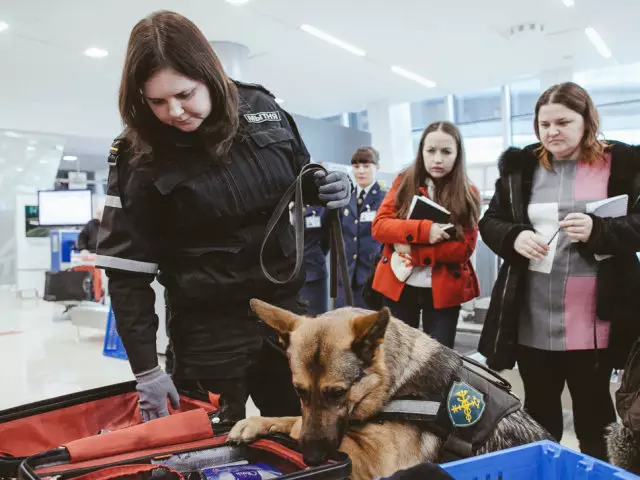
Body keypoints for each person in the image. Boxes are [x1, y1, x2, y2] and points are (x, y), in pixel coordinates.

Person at [95, 11, 351, 423]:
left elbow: (299, 175)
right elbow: (127, 275)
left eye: (184, 94)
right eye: (157, 101)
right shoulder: (136, 156)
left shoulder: (262, 108)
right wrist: (146, 370)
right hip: (206, 332)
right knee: (209, 452)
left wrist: (325, 186)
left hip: (286, 317)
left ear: (210, 75)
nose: (174, 111)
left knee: (307, 439)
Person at [478, 81, 640, 460]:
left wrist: (601, 231)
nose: (551, 132)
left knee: (594, 414)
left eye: (563, 122)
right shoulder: (521, 167)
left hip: (596, 321)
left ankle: (595, 469)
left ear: (587, 121)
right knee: (540, 411)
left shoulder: (624, 163)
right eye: (544, 124)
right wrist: (514, 237)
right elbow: (491, 222)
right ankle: (545, 468)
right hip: (532, 315)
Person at [370, 121, 480, 348]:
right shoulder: (403, 182)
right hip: (399, 284)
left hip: (443, 290)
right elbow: (380, 227)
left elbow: (464, 248)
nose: (437, 159)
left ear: (458, 155)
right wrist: (424, 230)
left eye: (446, 151)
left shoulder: (468, 192)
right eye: (431, 151)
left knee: (439, 358)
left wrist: (414, 250)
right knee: (396, 355)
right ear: (421, 152)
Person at [337, 146, 385, 308]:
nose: (361, 171)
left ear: (377, 167)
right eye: (356, 167)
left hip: (373, 276)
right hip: (346, 276)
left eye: (366, 166)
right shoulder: (345, 198)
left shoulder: (385, 199)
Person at [298, 203, 330, 316]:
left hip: (313, 273)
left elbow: (327, 239)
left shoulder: (321, 208)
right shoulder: (281, 202)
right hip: (283, 274)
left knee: (316, 319)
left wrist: (314, 254)